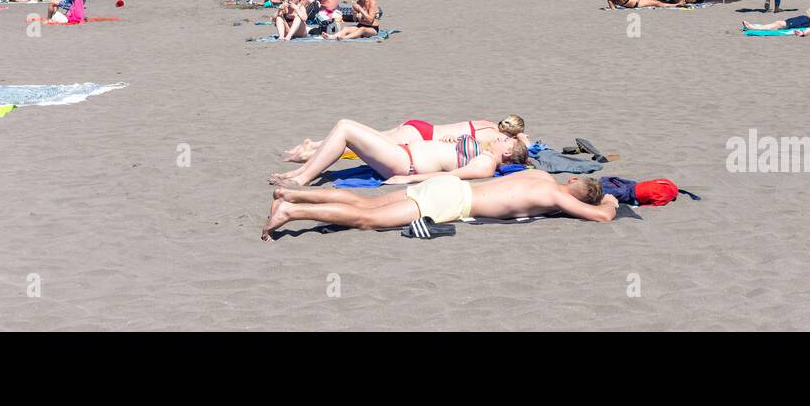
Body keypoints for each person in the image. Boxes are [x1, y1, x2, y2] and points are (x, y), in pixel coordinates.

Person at [262, 171, 616, 237]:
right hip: (453, 201)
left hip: (450, 184)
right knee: (366, 218)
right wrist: (613, 202)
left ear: (572, 180)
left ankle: (290, 194)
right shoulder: (555, 196)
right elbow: (600, 217)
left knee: (363, 201)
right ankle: (292, 211)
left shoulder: (540, 175)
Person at [267, 118, 529, 187]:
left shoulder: (485, 166)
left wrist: (407, 180)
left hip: (406, 164)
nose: (502, 139)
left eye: (507, 142)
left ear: (507, 153)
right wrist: (451, 141)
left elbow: (450, 177)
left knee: (346, 127)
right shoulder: (483, 153)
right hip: (404, 153)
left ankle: (302, 177)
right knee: (346, 129)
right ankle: (300, 172)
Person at [284, 114, 528, 163]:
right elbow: (526, 146)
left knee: (373, 136)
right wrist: (521, 136)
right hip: (421, 137)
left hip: (420, 125)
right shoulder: (494, 137)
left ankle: (314, 144)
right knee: (366, 143)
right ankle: (312, 153)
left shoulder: (485, 122)